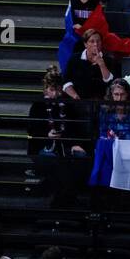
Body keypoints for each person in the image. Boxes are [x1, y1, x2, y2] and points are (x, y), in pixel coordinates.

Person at [27, 65, 88, 202]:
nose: (55, 94)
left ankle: (62, 198)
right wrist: (46, 134)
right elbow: (32, 129)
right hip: (43, 147)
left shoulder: (68, 104)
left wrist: (75, 144)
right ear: (45, 89)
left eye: (58, 90)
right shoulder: (38, 105)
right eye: (52, 90)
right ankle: (66, 199)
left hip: (66, 146)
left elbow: (76, 127)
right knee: (57, 162)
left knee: (80, 158)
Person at [62, 28, 116, 102]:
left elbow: (110, 82)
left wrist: (102, 65)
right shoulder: (75, 59)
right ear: (85, 44)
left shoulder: (108, 60)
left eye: (98, 41)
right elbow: (66, 81)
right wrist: (74, 96)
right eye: (92, 41)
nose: (96, 44)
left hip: (101, 102)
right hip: (78, 101)